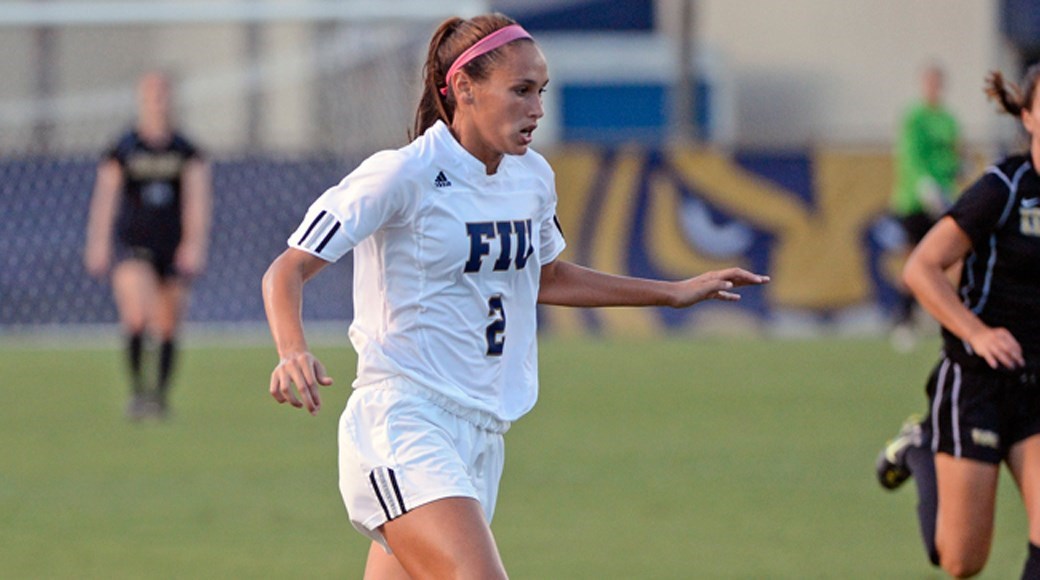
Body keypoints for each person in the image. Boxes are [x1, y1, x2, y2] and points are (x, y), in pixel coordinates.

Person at [262, 13, 769, 578]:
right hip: (403, 420)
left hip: (481, 435)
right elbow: (286, 270)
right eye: (521, 90)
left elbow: (545, 277)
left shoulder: (531, 178)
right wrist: (291, 350)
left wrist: (672, 293)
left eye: (541, 92)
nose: (537, 109)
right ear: (463, 89)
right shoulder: (402, 175)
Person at [876, 64, 1040, 579]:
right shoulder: (1003, 188)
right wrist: (976, 332)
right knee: (962, 561)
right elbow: (921, 268)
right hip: (977, 382)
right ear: (1029, 115)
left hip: (1036, 383)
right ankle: (921, 448)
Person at [84, 71, 212, 421]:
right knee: (138, 314)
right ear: (142, 99)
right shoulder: (124, 148)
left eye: (163, 93)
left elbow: (197, 200)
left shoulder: (186, 150)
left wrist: (194, 244)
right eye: (151, 94)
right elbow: (105, 198)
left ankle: (159, 397)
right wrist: (98, 242)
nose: (158, 100)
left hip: (170, 245)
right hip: (133, 243)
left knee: (169, 323)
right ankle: (138, 392)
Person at [889, 63, 962, 352]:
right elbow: (910, 157)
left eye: (937, 82)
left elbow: (953, 156)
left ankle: (935, 313)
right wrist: (924, 184)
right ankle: (904, 320)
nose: (934, 87)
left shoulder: (948, 120)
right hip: (914, 201)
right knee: (914, 260)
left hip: (943, 200)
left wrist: (956, 171)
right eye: (929, 82)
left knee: (945, 261)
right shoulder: (914, 117)